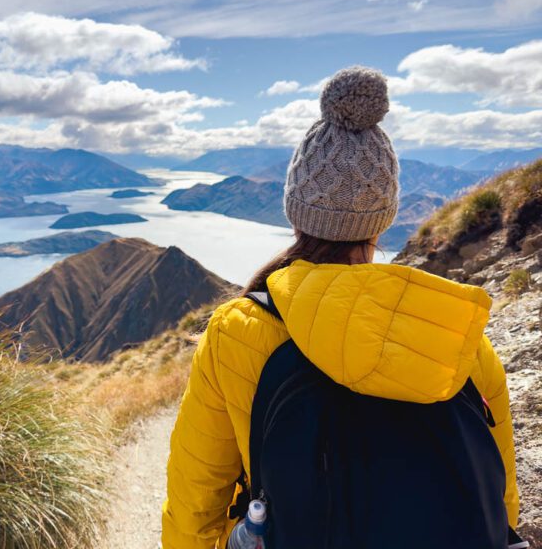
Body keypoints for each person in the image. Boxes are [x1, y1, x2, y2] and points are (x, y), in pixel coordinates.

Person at [161, 66, 518, 549]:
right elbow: (496, 497)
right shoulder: (453, 333)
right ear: (383, 219)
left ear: (295, 209)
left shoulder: (240, 331)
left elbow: (196, 501)